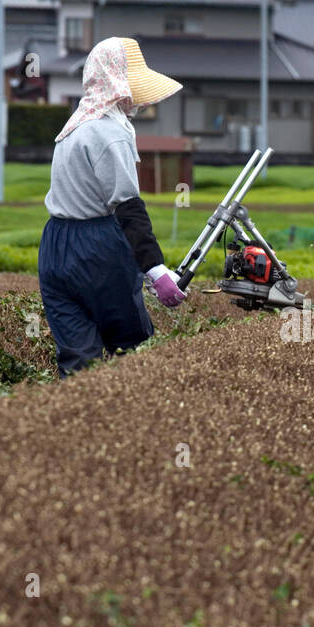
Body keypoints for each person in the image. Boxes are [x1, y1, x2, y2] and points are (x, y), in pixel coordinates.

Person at [39, 37, 187, 377]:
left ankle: (75, 426)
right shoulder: (111, 133)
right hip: (98, 250)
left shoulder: (72, 128)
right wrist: (156, 269)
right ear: (118, 81)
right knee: (133, 350)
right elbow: (127, 207)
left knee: (78, 360)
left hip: (55, 247)